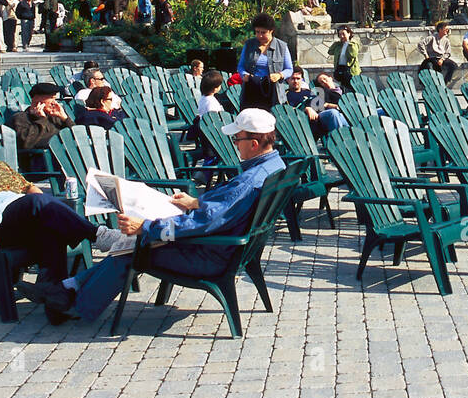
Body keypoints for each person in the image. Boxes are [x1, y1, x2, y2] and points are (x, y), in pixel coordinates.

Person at [28, 107, 287, 324]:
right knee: (137, 241)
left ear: (253, 144)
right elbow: (223, 209)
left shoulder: (248, 181)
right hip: (234, 248)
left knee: (137, 247)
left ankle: (74, 305)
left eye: (237, 140)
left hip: (213, 254)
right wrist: (196, 201)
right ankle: (68, 287)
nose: (235, 145)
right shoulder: (274, 166)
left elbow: (204, 222)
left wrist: (146, 226)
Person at [0, 116, 129, 323]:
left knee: (49, 228)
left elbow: (28, 186)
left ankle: (56, 301)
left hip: (20, 216)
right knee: (36, 204)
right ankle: (98, 235)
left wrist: (41, 202)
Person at [237, 12, 294, 110]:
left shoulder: (282, 46)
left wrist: (279, 75)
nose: (259, 35)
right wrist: (244, 74)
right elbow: (240, 66)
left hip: (273, 92)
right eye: (257, 32)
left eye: (263, 32)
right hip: (251, 89)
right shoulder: (249, 45)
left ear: (271, 31)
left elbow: (289, 69)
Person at [10, 83, 73, 154]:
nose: (54, 102)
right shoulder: (21, 118)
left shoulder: (55, 117)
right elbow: (26, 143)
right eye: (51, 98)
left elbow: (77, 136)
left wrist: (65, 118)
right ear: (37, 99)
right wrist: (41, 120)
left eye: (55, 99)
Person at [285, 68, 348, 136]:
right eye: (293, 79)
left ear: (302, 80)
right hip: (306, 121)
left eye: (298, 78)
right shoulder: (286, 94)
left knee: (342, 116)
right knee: (333, 113)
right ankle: (339, 141)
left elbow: (322, 104)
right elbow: (288, 109)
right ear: (288, 80)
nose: (296, 81)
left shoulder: (308, 92)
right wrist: (306, 109)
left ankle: (350, 140)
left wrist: (334, 106)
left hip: (320, 115)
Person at [327, 26, 362, 92]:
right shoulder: (339, 45)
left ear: (349, 33)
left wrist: (350, 44)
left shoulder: (353, 44)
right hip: (341, 69)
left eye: (343, 34)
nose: (342, 36)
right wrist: (336, 44)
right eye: (340, 34)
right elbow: (330, 51)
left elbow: (353, 54)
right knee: (343, 89)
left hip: (350, 71)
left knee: (352, 89)